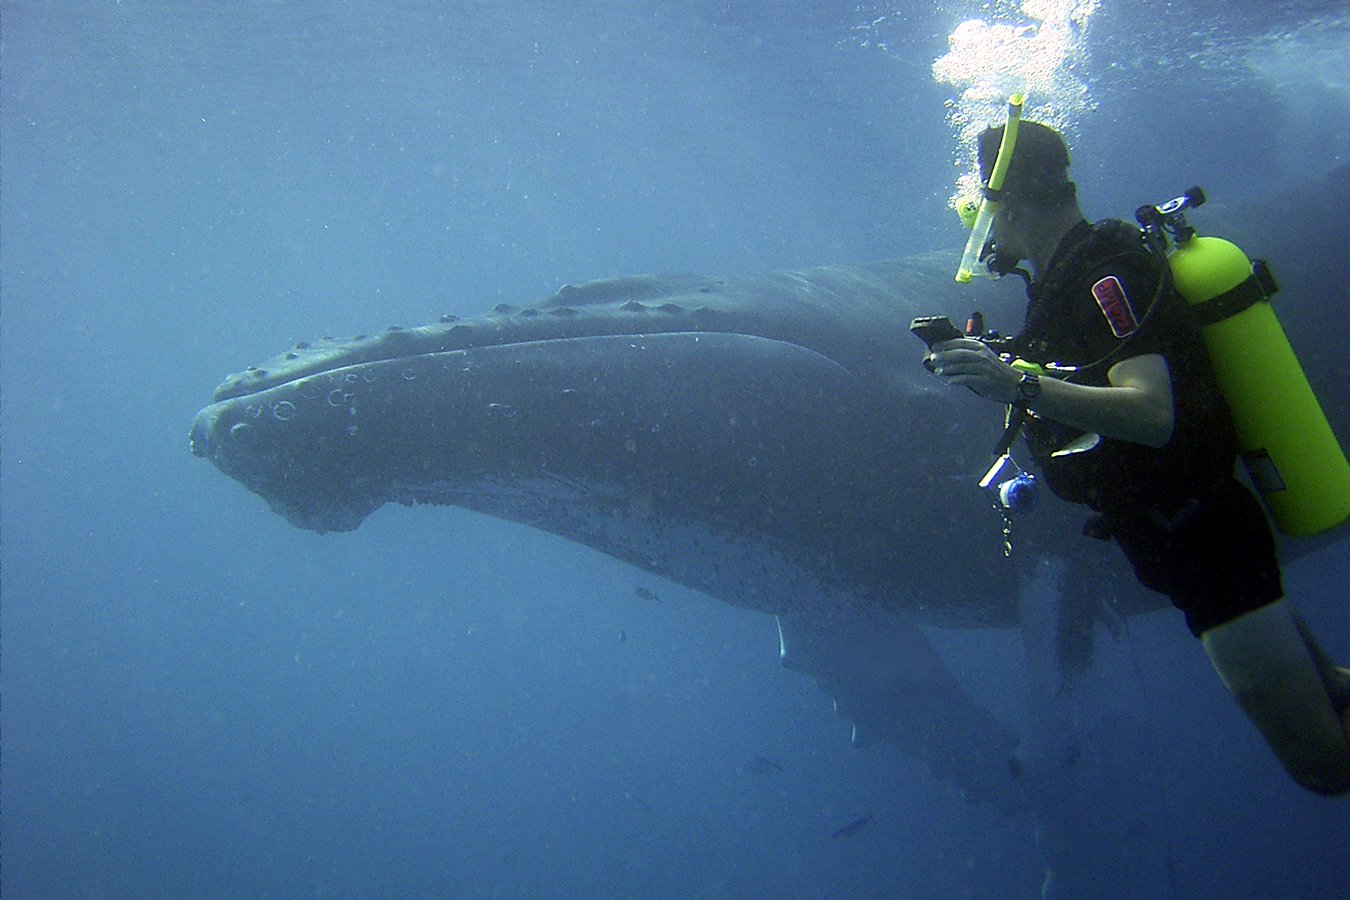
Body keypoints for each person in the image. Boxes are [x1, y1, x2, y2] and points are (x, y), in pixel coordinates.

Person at [926, 120, 1350, 796]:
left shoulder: (1104, 274)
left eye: (979, 213)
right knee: (1333, 699)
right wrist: (1011, 370)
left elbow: (1152, 414)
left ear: (1008, 203)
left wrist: (1017, 384)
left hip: (1205, 543)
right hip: (1182, 542)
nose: (982, 236)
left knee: (1326, 765)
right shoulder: (1064, 281)